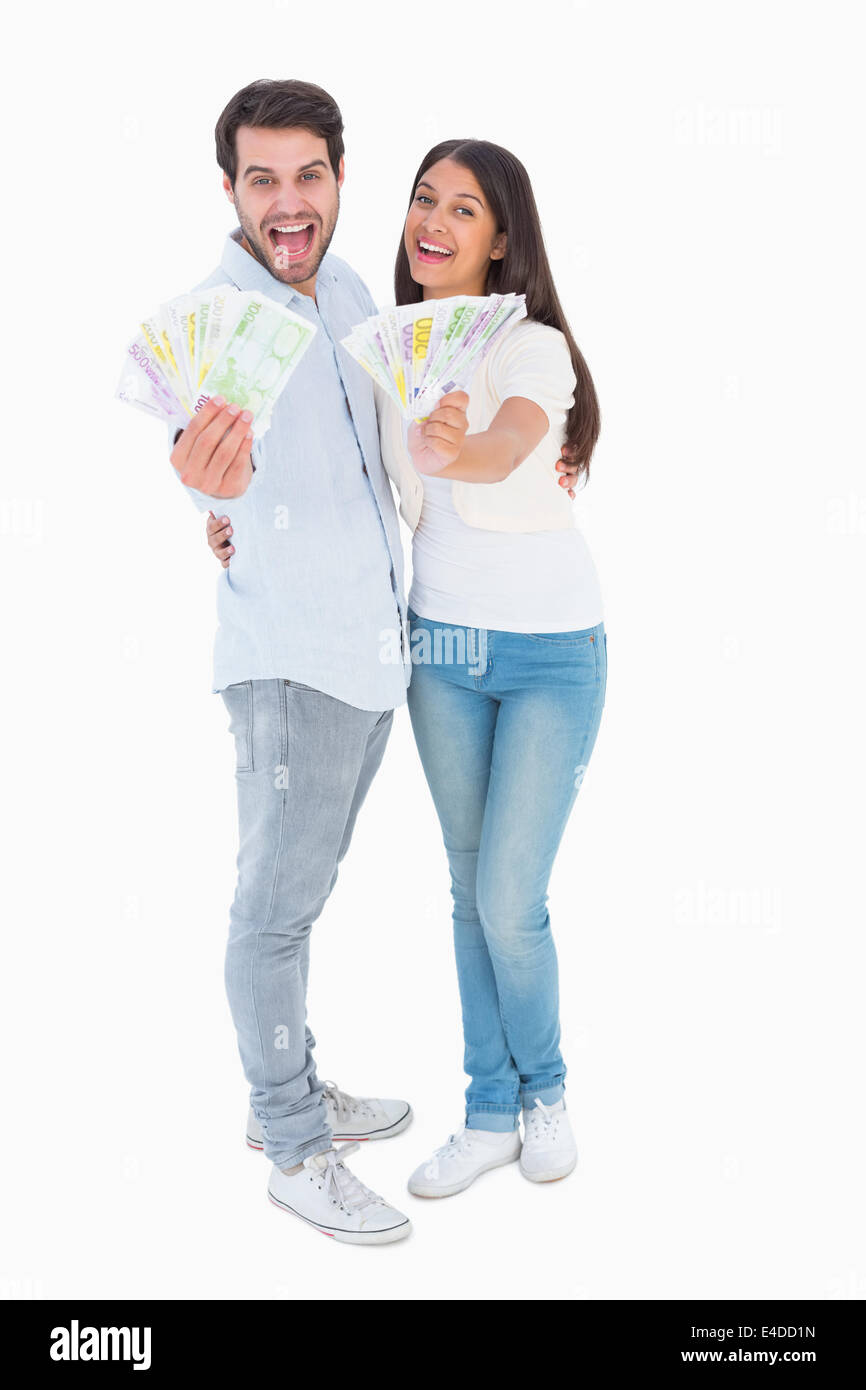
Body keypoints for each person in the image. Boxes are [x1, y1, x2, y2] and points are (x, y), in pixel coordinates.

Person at [207, 132, 606, 1204]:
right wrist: (221, 516)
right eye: (422, 198)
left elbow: (502, 443)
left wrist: (450, 447)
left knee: (510, 897)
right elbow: (303, 459)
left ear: (503, 236)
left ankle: (546, 1093)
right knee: (467, 893)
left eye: (463, 209)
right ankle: (486, 1110)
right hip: (435, 648)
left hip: (551, 652)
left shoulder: (529, 348)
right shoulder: (376, 343)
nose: (431, 221)